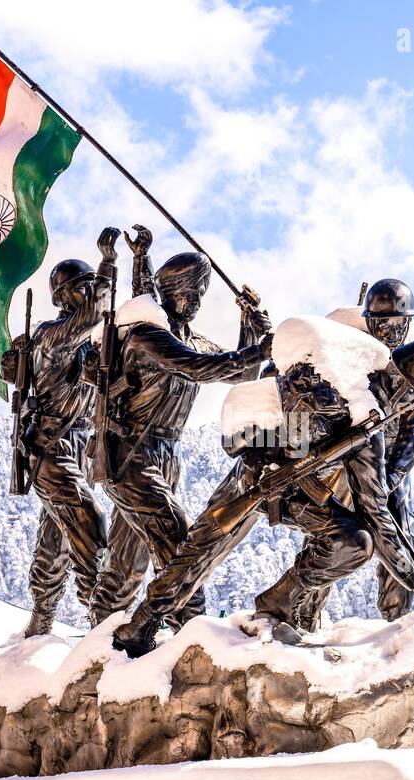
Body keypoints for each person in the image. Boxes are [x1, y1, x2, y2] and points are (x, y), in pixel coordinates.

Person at [111, 333, 414, 657]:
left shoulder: (367, 420)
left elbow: (374, 508)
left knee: (351, 541)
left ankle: (274, 606)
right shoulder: (341, 392)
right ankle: (141, 624)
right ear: (402, 382)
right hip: (263, 478)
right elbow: (287, 427)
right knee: (200, 549)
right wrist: (278, 459)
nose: (412, 406)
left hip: (287, 483)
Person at [87, 225, 271, 643]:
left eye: (201, 295)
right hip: (130, 455)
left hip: (165, 458)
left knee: (128, 560)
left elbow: (241, 372)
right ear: (170, 293)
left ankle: (98, 638)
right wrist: (259, 349)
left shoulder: (190, 338)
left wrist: (251, 330)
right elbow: (196, 367)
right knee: (178, 547)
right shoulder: (146, 335)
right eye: (191, 294)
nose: (197, 303)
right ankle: (193, 635)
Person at [0, 226, 119, 636]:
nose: (90, 292)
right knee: (89, 520)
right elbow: (96, 312)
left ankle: (40, 619)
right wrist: (107, 263)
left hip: (78, 448)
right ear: (64, 297)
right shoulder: (54, 336)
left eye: (91, 286)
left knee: (57, 536)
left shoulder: (86, 345)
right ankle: (102, 620)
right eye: (82, 287)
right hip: (50, 449)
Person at [357, 278, 414, 621]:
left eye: (396, 324)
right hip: (350, 464)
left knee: (402, 534)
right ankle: (304, 614)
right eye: (381, 324)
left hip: (391, 470)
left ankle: (397, 620)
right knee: (332, 536)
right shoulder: (352, 365)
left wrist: (381, 487)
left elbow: (408, 448)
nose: (388, 332)